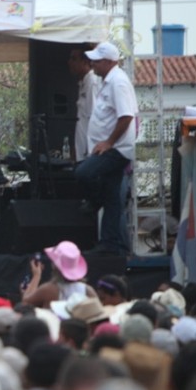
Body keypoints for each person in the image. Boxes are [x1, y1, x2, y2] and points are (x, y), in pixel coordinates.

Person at [75, 42, 137, 255]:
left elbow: (126, 115)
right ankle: (112, 244)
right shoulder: (107, 81)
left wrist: (109, 142)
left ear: (111, 62)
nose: (93, 64)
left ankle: (94, 201)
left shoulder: (118, 83)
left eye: (98, 61)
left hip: (116, 149)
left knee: (84, 173)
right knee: (113, 199)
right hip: (109, 147)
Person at [68, 47, 101, 162]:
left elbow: (93, 116)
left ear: (85, 62)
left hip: (89, 149)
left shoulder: (92, 82)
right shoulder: (83, 82)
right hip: (82, 147)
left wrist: (90, 147)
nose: (70, 62)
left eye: (74, 59)